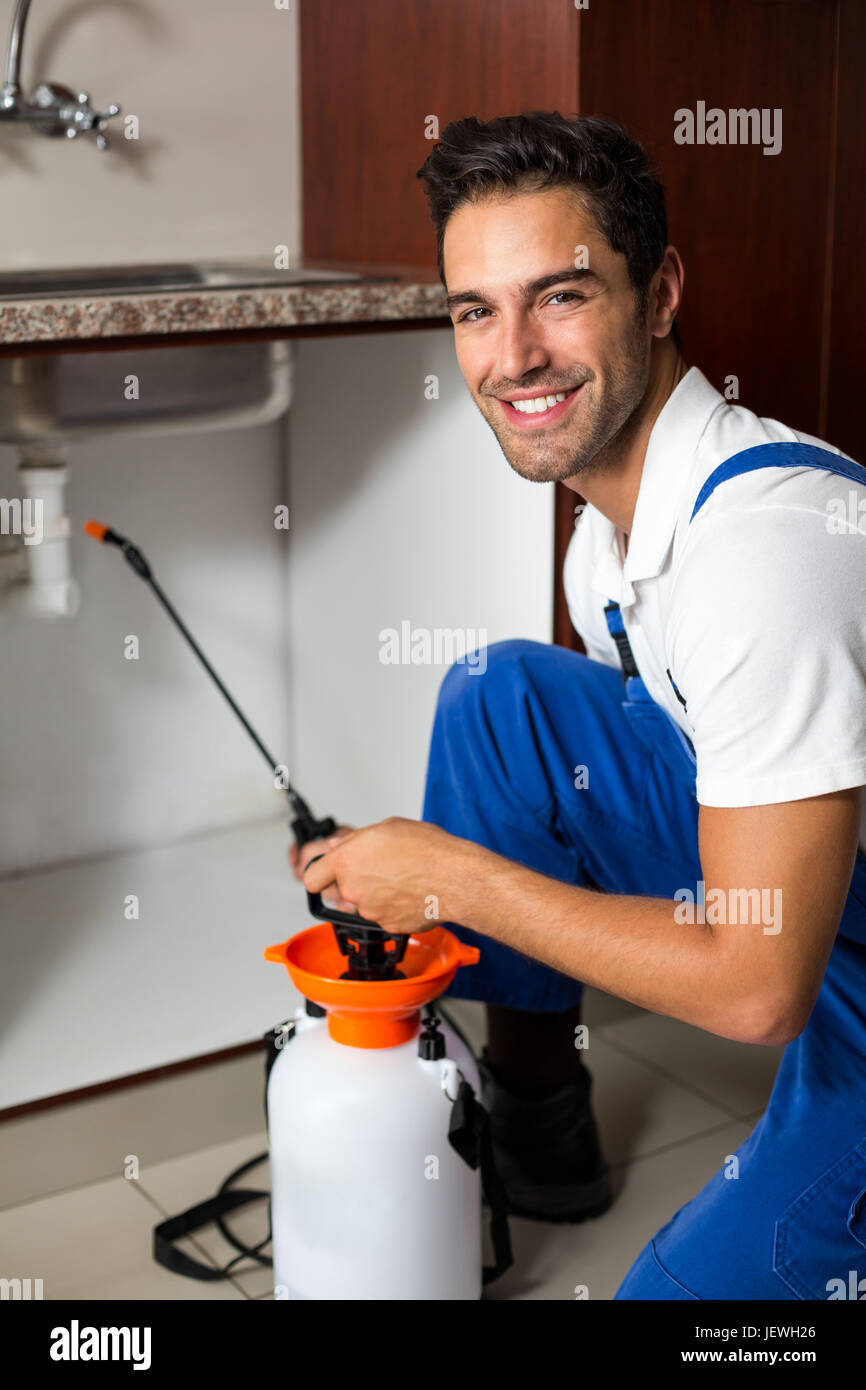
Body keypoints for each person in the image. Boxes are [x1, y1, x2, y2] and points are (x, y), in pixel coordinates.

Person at [293, 112, 866, 1300]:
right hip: (829, 878)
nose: (512, 356)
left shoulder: (763, 558)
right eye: (473, 310)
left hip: (813, 962)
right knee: (506, 699)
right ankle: (535, 1128)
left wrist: (450, 877)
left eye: (559, 295)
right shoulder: (609, 541)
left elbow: (760, 990)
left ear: (657, 294)